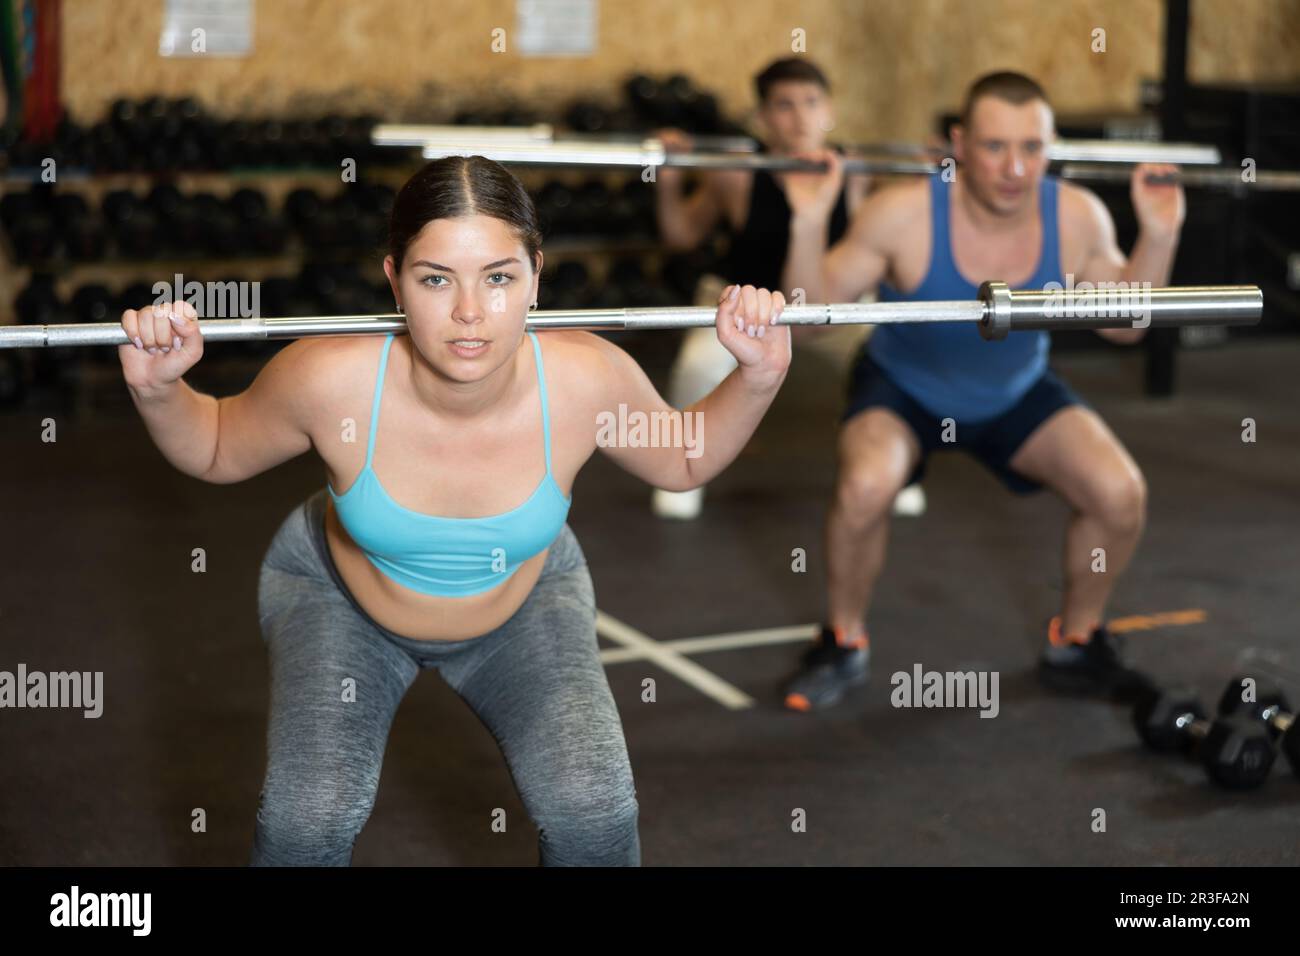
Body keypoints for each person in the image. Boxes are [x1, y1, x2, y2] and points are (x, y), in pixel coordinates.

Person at [117, 155, 791, 864]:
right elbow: (219, 447)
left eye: (498, 278)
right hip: (339, 599)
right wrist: (162, 392)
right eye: (436, 278)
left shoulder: (583, 379)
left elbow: (684, 457)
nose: (470, 312)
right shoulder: (332, 378)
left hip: (524, 602)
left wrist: (760, 373)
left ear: (536, 273)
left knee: (594, 812)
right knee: (305, 825)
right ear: (394, 280)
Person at [777, 71, 1185, 711]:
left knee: (1120, 493)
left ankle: (1076, 641)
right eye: (996, 147)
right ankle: (842, 638)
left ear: (1052, 146)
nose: (1016, 169)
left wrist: (1159, 235)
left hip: (1014, 392)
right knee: (865, 487)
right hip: (904, 389)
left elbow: (1125, 326)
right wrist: (806, 220)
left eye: (1033, 147)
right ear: (960, 143)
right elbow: (803, 323)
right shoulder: (903, 212)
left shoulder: (1077, 216)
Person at [651, 57, 922, 520]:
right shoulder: (736, 172)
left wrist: (935, 172)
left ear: (829, 111)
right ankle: (682, 469)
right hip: (743, 308)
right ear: (762, 117)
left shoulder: (855, 171)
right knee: (698, 366)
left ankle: (899, 467)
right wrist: (667, 179)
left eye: (811, 103)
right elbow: (683, 236)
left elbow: (902, 226)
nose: (800, 118)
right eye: (784, 105)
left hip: (826, 307)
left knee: (896, 355)